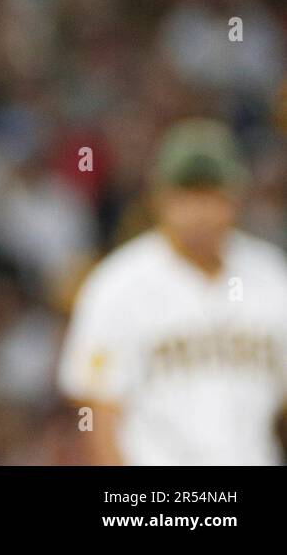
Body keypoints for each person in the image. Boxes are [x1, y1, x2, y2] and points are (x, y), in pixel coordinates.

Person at [59, 118, 287, 464]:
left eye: (211, 194)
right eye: (186, 194)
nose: (199, 211)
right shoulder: (118, 285)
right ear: (159, 198)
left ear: (236, 197)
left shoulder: (271, 276)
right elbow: (97, 412)